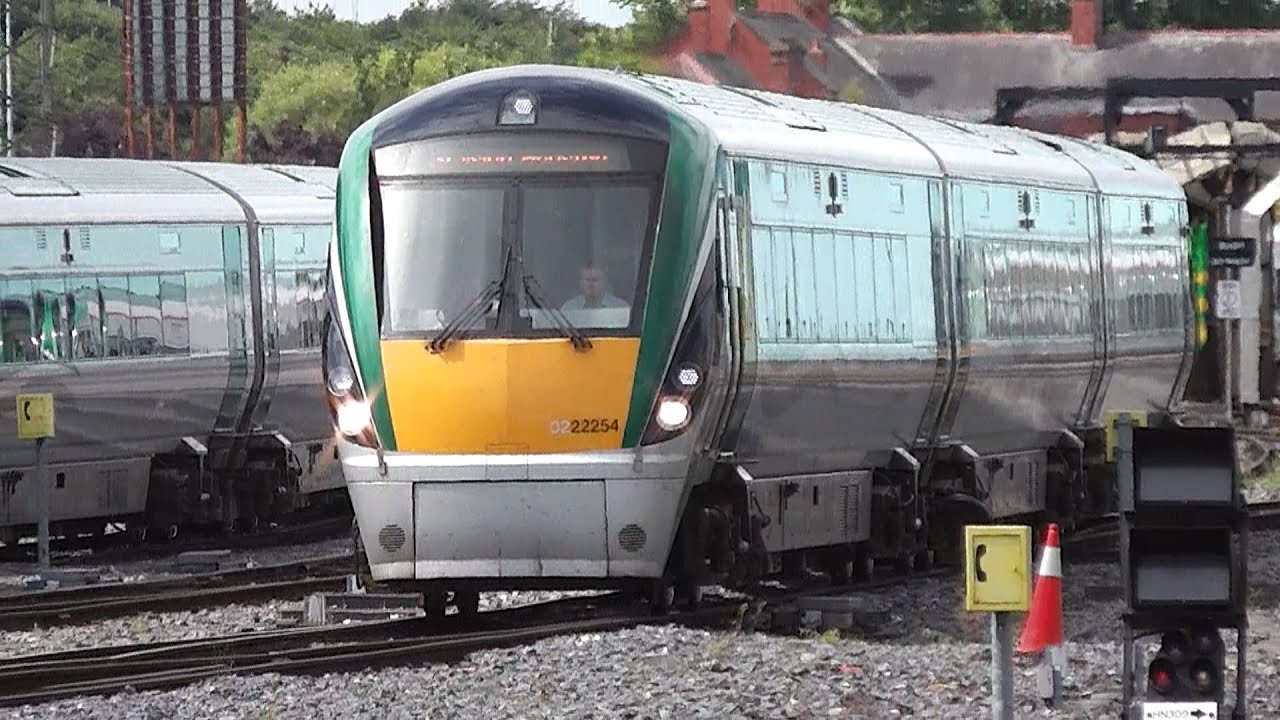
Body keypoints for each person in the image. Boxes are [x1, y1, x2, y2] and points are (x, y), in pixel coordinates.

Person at [561, 265, 629, 310]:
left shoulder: (620, 307)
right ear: (581, 283)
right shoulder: (569, 308)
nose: (591, 285)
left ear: (604, 282)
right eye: (587, 280)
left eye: (595, 280)